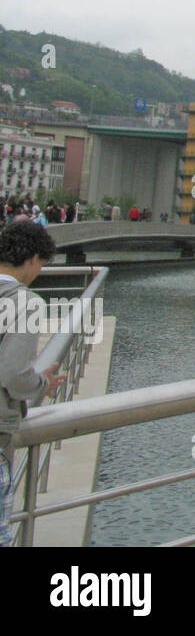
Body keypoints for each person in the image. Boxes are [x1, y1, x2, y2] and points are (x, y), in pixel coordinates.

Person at [0, 221, 67, 547]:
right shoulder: (25, 302)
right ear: (32, 259)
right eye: (41, 264)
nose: (39, 271)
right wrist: (41, 384)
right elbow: (12, 375)